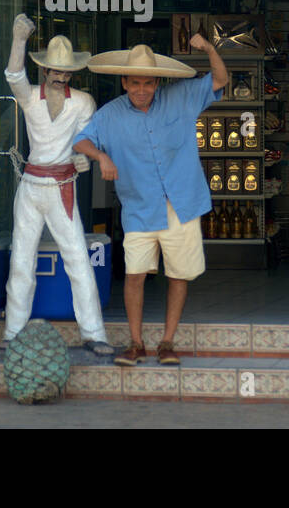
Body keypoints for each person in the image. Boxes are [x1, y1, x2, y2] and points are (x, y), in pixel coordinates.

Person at [73, 34, 226, 365]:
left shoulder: (181, 96)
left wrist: (210, 50)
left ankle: (167, 342)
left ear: (157, 82)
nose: (142, 90)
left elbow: (220, 80)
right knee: (134, 274)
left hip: (181, 203)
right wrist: (102, 158)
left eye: (148, 83)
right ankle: (136, 343)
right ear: (124, 82)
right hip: (140, 207)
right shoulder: (110, 115)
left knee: (178, 274)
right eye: (135, 83)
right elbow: (80, 142)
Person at [2, 14, 113, 356]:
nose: (60, 75)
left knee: (78, 258)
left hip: (62, 185)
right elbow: (13, 75)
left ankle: (94, 333)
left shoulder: (82, 102)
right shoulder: (29, 96)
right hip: (32, 185)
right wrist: (19, 39)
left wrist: (84, 161)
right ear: (46, 69)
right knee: (21, 258)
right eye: (55, 69)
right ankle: (12, 332)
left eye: (66, 71)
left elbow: (85, 141)